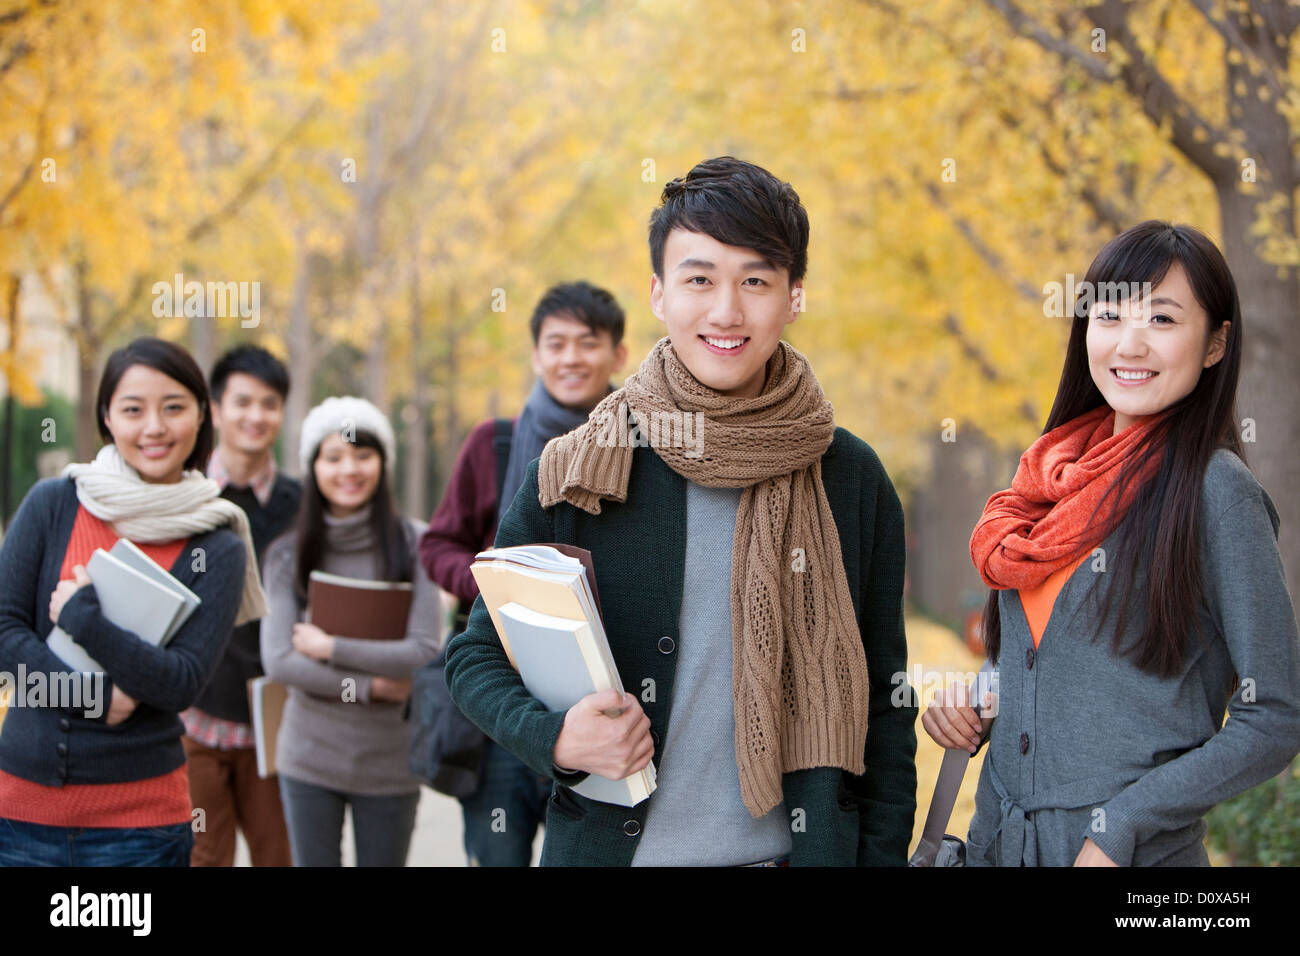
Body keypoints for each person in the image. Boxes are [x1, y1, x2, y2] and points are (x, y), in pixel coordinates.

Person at [445, 156, 918, 866]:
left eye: (755, 280)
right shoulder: (578, 468)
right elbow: (476, 655)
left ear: (794, 297)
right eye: (700, 279)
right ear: (661, 295)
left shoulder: (849, 478)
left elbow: (886, 705)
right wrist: (556, 739)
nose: (727, 311)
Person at [921, 221, 1300, 866]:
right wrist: (980, 698)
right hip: (997, 845)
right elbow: (1043, 659)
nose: (1130, 343)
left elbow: (1278, 715)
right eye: (1109, 315)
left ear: (1215, 344)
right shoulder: (1050, 479)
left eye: (1161, 318)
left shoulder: (1216, 493)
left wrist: (1121, 825)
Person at [0, 337, 264, 866]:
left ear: (201, 416)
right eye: (133, 409)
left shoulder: (218, 545)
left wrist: (84, 619)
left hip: (140, 828)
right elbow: (4, 633)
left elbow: (181, 681)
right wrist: (93, 696)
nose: (154, 428)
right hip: (22, 818)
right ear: (107, 418)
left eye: (173, 408)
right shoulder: (54, 504)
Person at [418, 280, 627, 867]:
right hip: (504, 702)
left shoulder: (645, 449)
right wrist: (497, 588)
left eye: (587, 344)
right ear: (536, 355)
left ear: (618, 355)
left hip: (607, 697)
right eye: (555, 344)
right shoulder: (494, 444)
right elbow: (439, 544)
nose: (570, 358)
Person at [260, 396, 439, 866]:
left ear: (382, 462)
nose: (349, 469)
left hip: (391, 763)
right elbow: (279, 658)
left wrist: (329, 646)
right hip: (308, 758)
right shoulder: (286, 553)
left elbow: (422, 651)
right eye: (333, 457)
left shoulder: (415, 544)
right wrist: (370, 686)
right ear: (313, 467)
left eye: (363, 455)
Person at [182, 345, 301, 867]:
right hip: (194, 721)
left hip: (275, 725)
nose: (256, 416)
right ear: (215, 408)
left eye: (270, 403)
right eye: (243, 402)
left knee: (281, 855)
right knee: (203, 858)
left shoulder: (300, 504)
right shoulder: (185, 494)